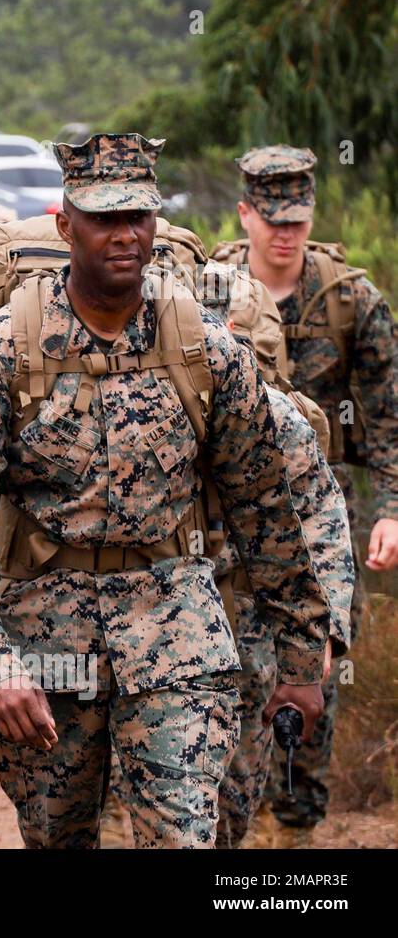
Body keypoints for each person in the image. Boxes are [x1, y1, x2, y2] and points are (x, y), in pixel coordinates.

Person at [0, 132, 329, 848]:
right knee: (59, 837)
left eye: (137, 216)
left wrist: (300, 659)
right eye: (104, 218)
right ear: (64, 225)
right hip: (44, 643)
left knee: (183, 836)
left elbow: (265, 506)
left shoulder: (203, 348)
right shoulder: (3, 353)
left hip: (177, 630)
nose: (124, 235)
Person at [211, 146, 398, 845]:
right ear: (245, 214)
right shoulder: (207, 289)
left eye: (297, 218)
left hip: (322, 513)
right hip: (227, 518)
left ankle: (295, 826)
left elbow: (387, 416)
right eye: (270, 218)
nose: (284, 233)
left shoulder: (351, 300)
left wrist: (392, 509)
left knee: (314, 663)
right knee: (226, 664)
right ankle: (233, 810)